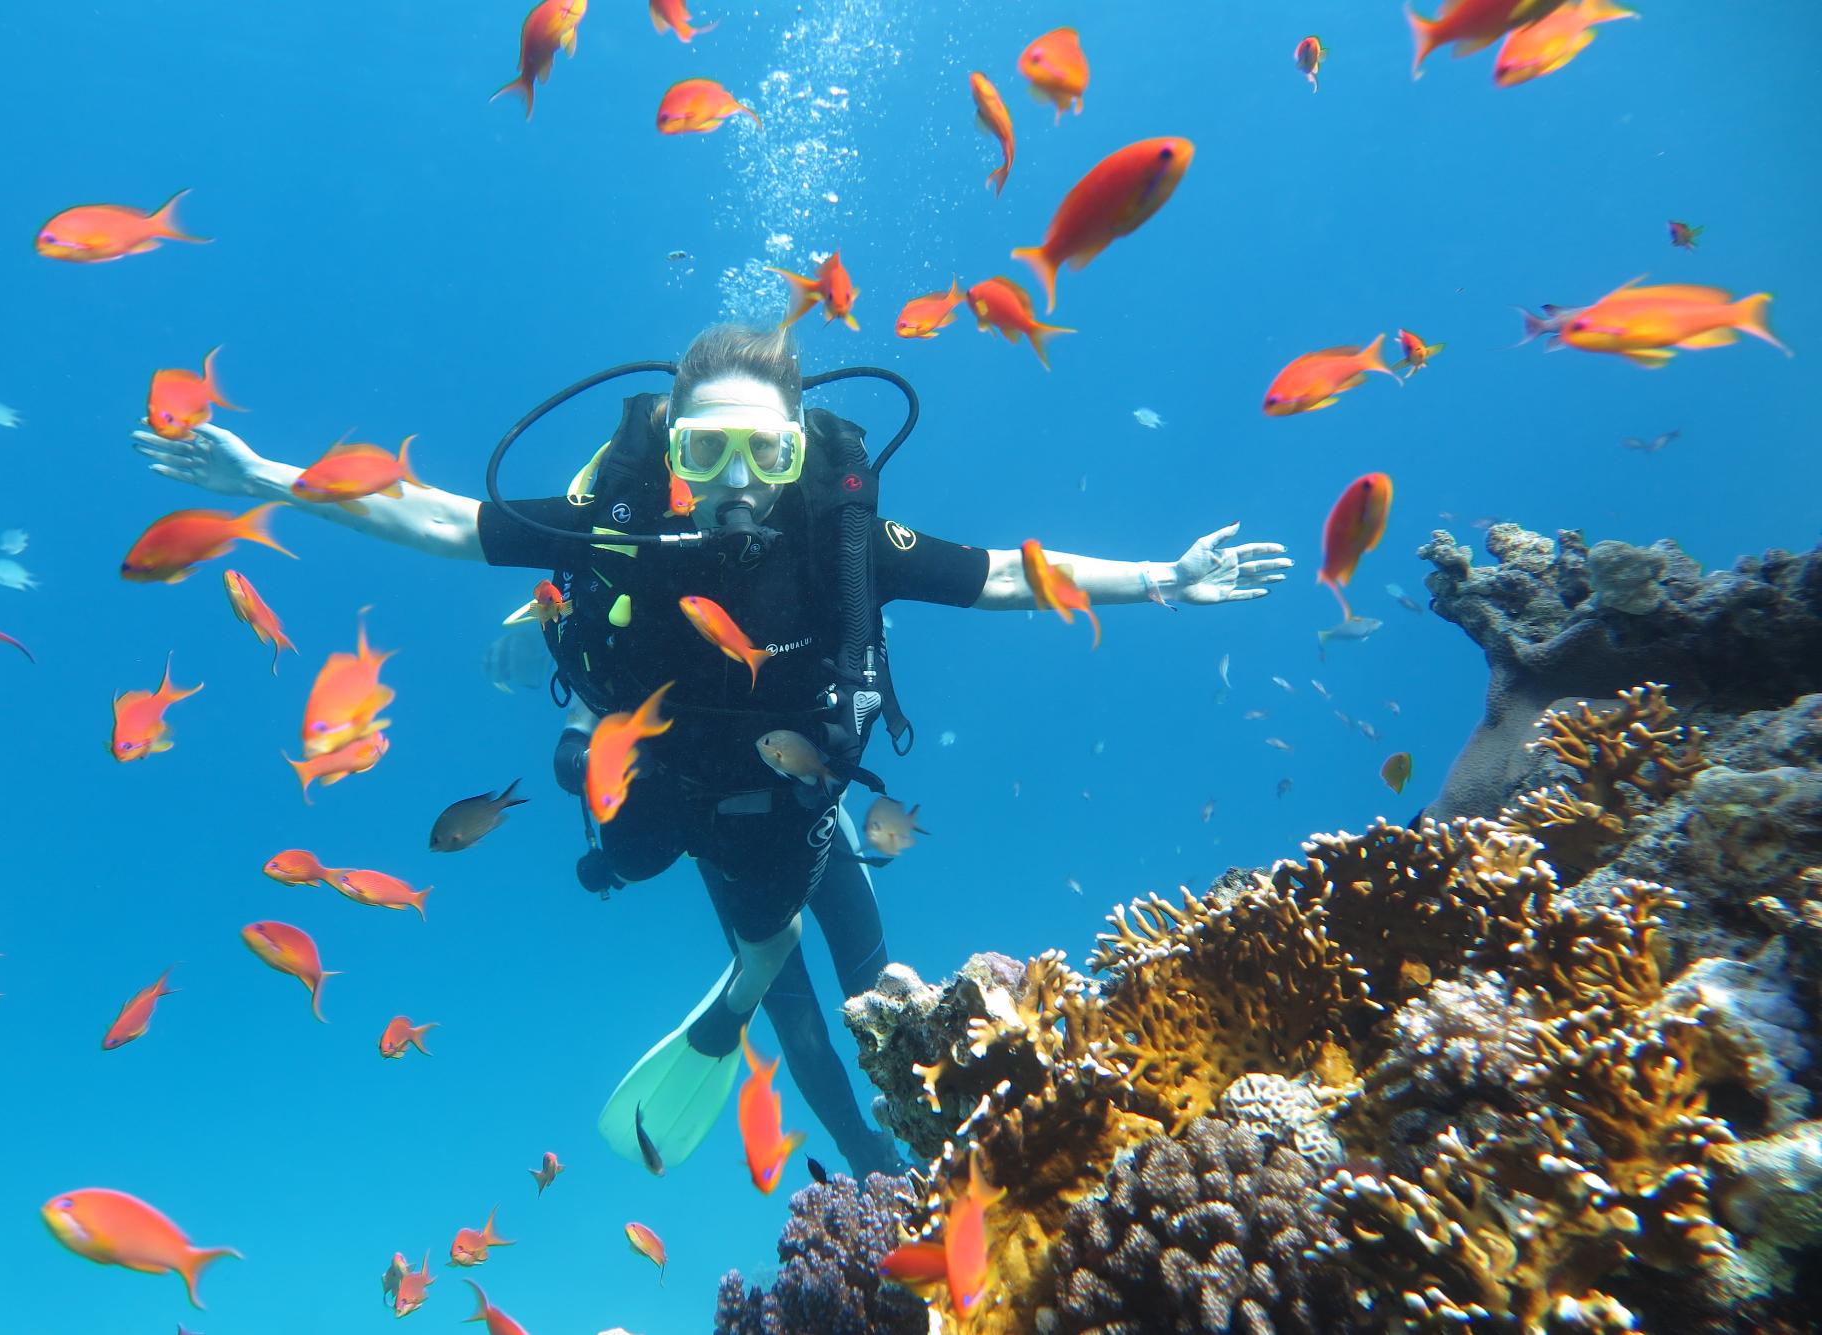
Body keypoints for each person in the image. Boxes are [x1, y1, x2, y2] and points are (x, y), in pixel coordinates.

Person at [130, 324, 1292, 1178]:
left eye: (766, 456)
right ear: (671, 451)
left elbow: (994, 572)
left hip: (787, 785)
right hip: (661, 772)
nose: (737, 485)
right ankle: (576, 709)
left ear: (800, 454)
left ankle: (784, 1015)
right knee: (676, 897)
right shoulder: (622, 523)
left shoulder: (839, 534)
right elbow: (439, 517)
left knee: (822, 943)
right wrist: (268, 480)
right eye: (708, 451)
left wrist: (1163, 580)